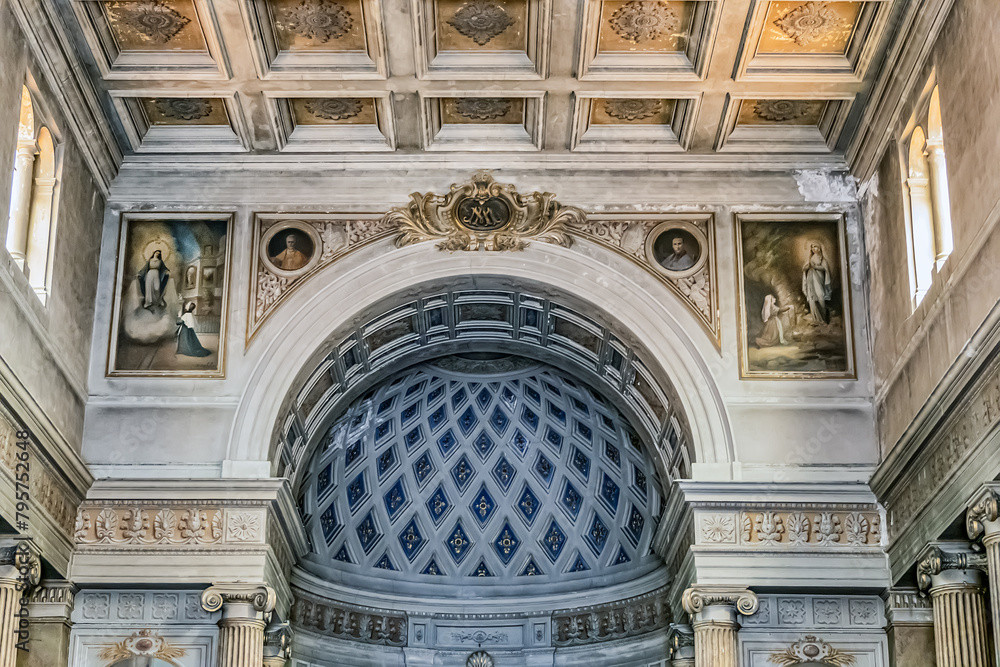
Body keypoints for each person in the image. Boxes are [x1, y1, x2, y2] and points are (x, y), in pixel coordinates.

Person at [802, 242, 833, 324]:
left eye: (815, 247)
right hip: (810, 279)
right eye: (812, 247)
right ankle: (816, 319)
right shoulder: (810, 258)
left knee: (820, 297)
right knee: (812, 297)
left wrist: (815, 267)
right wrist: (807, 267)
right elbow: (805, 268)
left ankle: (823, 318)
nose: (813, 249)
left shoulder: (822, 259)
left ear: (819, 248)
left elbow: (825, 269)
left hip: (819, 279)